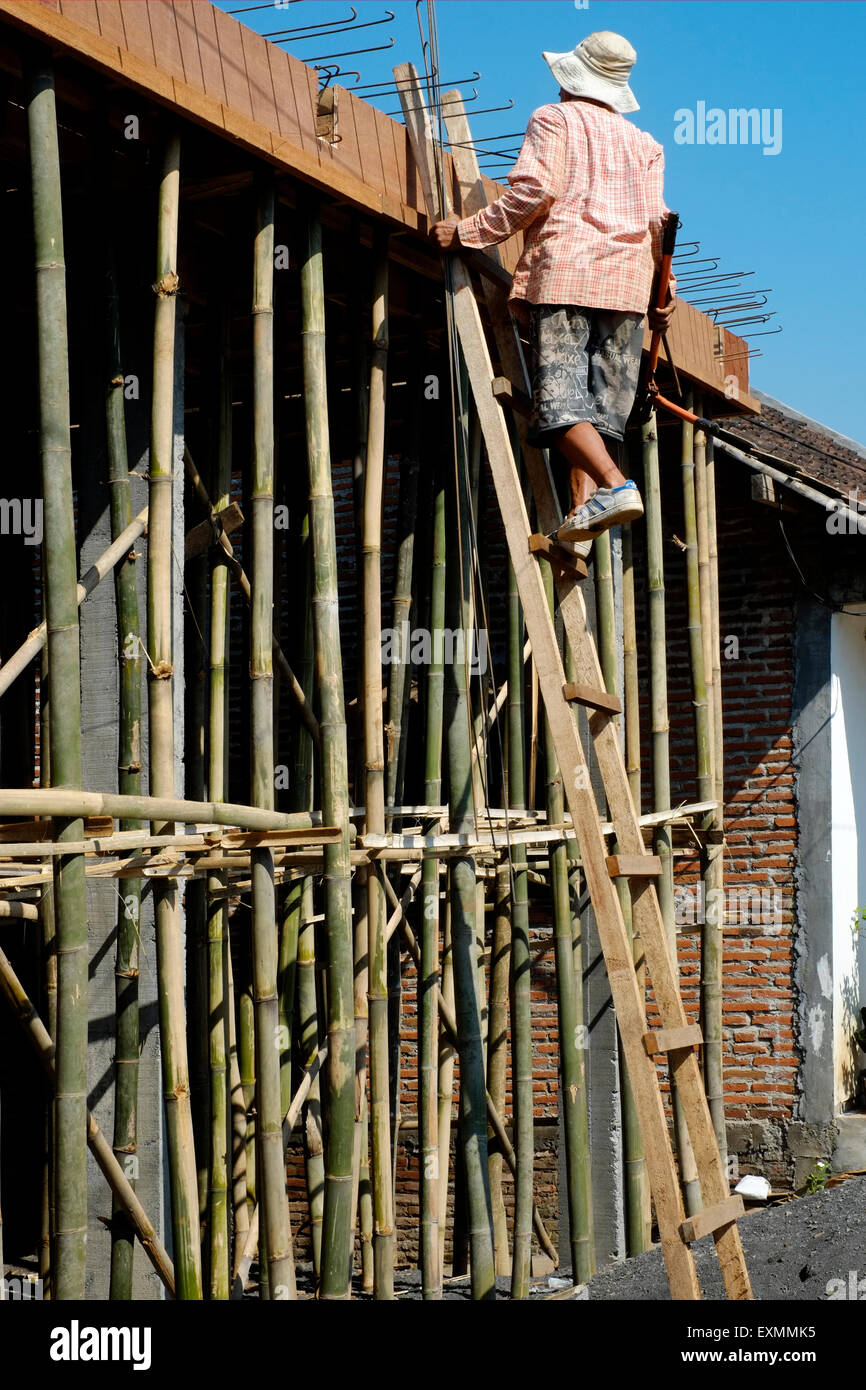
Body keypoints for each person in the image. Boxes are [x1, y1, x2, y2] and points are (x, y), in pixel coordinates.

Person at [431, 31, 676, 551]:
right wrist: (664, 287)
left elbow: (535, 193)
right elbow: (659, 226)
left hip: (568, 275)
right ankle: (582, 513)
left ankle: (614, 486)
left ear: (572, 80)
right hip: (629, 289)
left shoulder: (553, 119)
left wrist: (465, 232)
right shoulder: (647, 145)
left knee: (561, 405)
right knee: (598, 414)